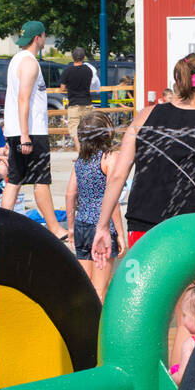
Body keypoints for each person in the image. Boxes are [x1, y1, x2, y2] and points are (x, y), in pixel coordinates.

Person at [92, 52, 195, 267]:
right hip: (183, 230)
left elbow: (118, 174)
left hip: (140, 227)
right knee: (193, 298)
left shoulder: (145, 114)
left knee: (148, 297)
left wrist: (102, 227)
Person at [0, 20, 65, 238]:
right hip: (31, 131)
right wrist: (25, 136)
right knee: (42, 179)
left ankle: (0, 224)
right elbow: (23, 99)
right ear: (38, 38)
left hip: (18, 129)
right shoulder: (29, 63)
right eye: (44, 36)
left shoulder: (16, 60)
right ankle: (55, 228)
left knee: (15, 179)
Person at [65, 111, 126, 302]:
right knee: (100, 289)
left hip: (82, 226)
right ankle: (98, 331)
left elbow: (69, 195)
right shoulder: (109, 158)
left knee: (85, 286)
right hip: (102, 227)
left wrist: (71, 227)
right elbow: (112, 199)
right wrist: (121, 234)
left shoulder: (81, 160)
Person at [59, 48, 95, 149]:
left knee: (75, 132)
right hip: (87, 104)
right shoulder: (88, 70)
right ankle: (89, 154)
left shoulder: (67, 71)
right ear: (83, 58)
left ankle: (80, 154)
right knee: (88, 131)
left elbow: (62, 88)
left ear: (72, 58)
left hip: (74, 105)